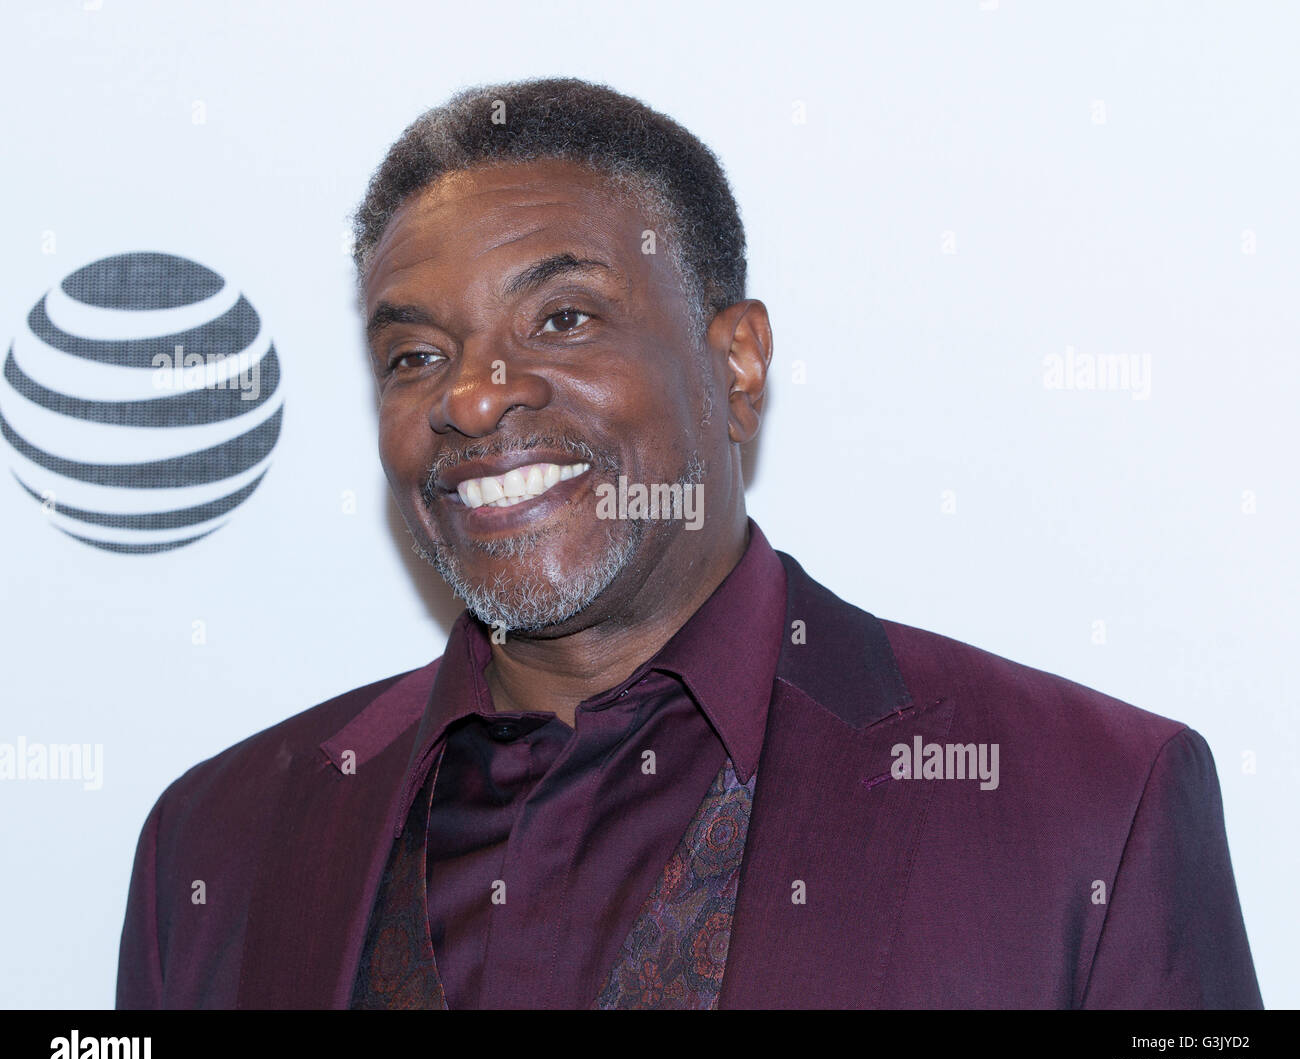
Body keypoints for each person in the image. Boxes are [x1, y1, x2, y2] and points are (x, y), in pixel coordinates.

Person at [116, 77, 1262, 1009]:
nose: (473, 397)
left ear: (735, 365)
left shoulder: (1091, 802)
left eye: (562, 318)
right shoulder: (216, 846)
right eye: (415, 355)